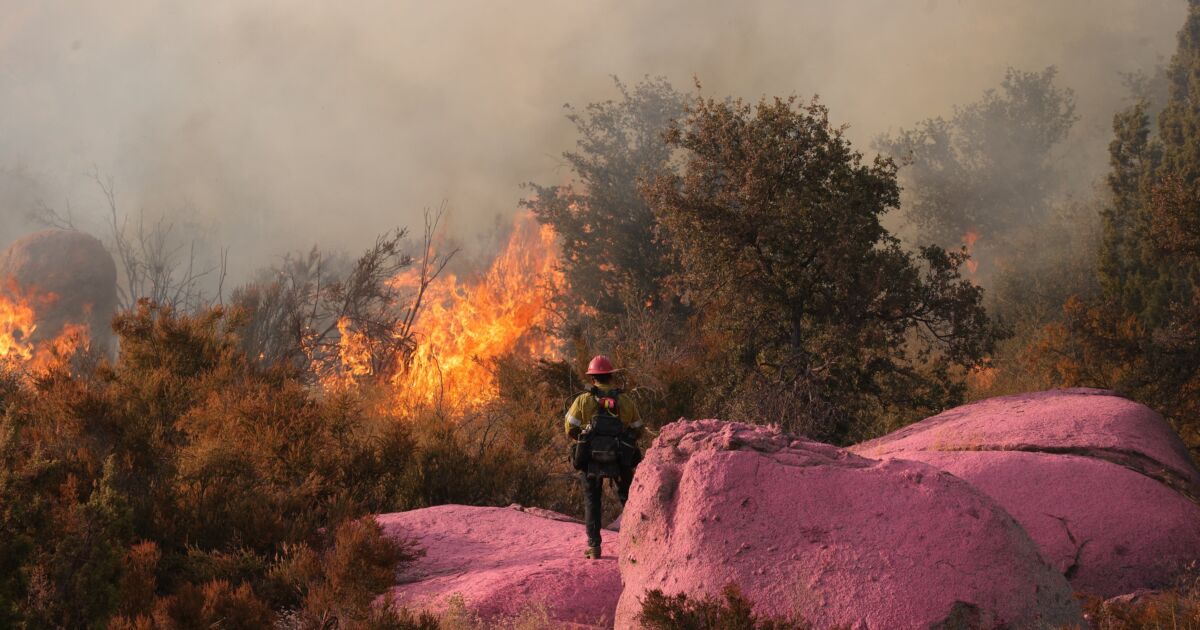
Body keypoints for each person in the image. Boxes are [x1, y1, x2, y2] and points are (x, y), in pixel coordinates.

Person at [564, 355, 644, 560]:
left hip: (591, 460)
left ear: (593, 379)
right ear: (611, 377)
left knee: (592, 500)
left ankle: (594, 547)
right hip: (620, 459)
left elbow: (569, 427)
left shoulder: (583, 400)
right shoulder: (625, 400)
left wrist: (586, 438)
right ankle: (639, 542)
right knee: (628, 498)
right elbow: (637, 429)